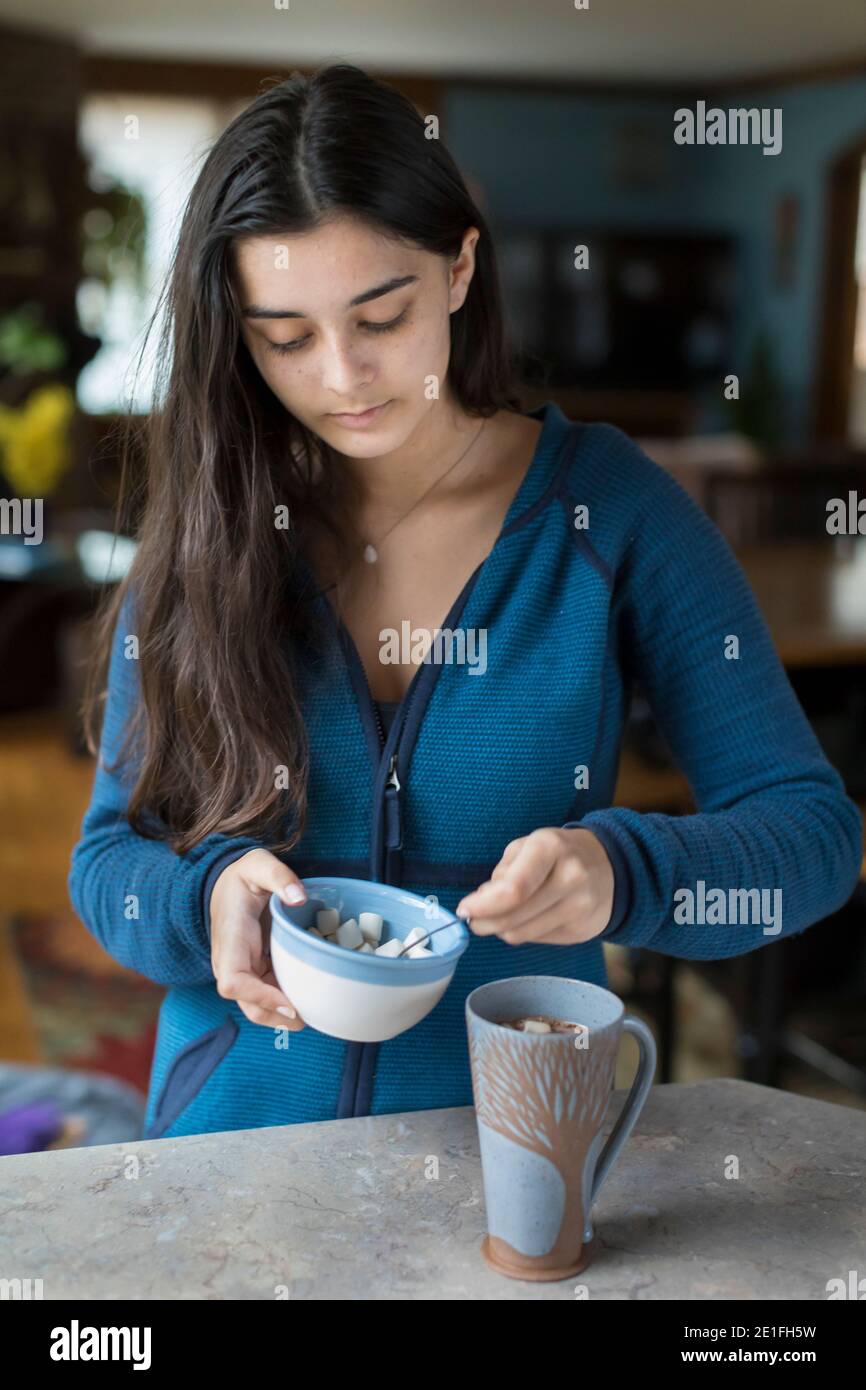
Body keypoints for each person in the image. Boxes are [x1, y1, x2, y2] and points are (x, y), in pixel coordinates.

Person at [69, 64, 862, 1139]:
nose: (342, 375)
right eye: (286, 337)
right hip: (224, 1153)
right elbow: (107, 860)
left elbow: (813, 839)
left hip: (510, 1156)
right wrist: (199, 898)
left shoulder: (609, 511)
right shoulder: (212, 522)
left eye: (379, 314)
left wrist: (625, 872)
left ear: (457, 269)